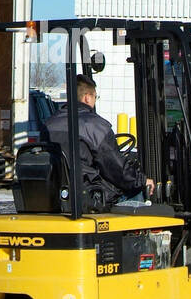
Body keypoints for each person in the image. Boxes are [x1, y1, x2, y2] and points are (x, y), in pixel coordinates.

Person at [44, 75, 155, 207]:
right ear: (88, 97)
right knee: (138, 191)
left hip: (55, 196)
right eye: (95, 97)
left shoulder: (48, 124)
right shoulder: (95, 126)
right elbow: (115, 167)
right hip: (89, 198)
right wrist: (142, 181)